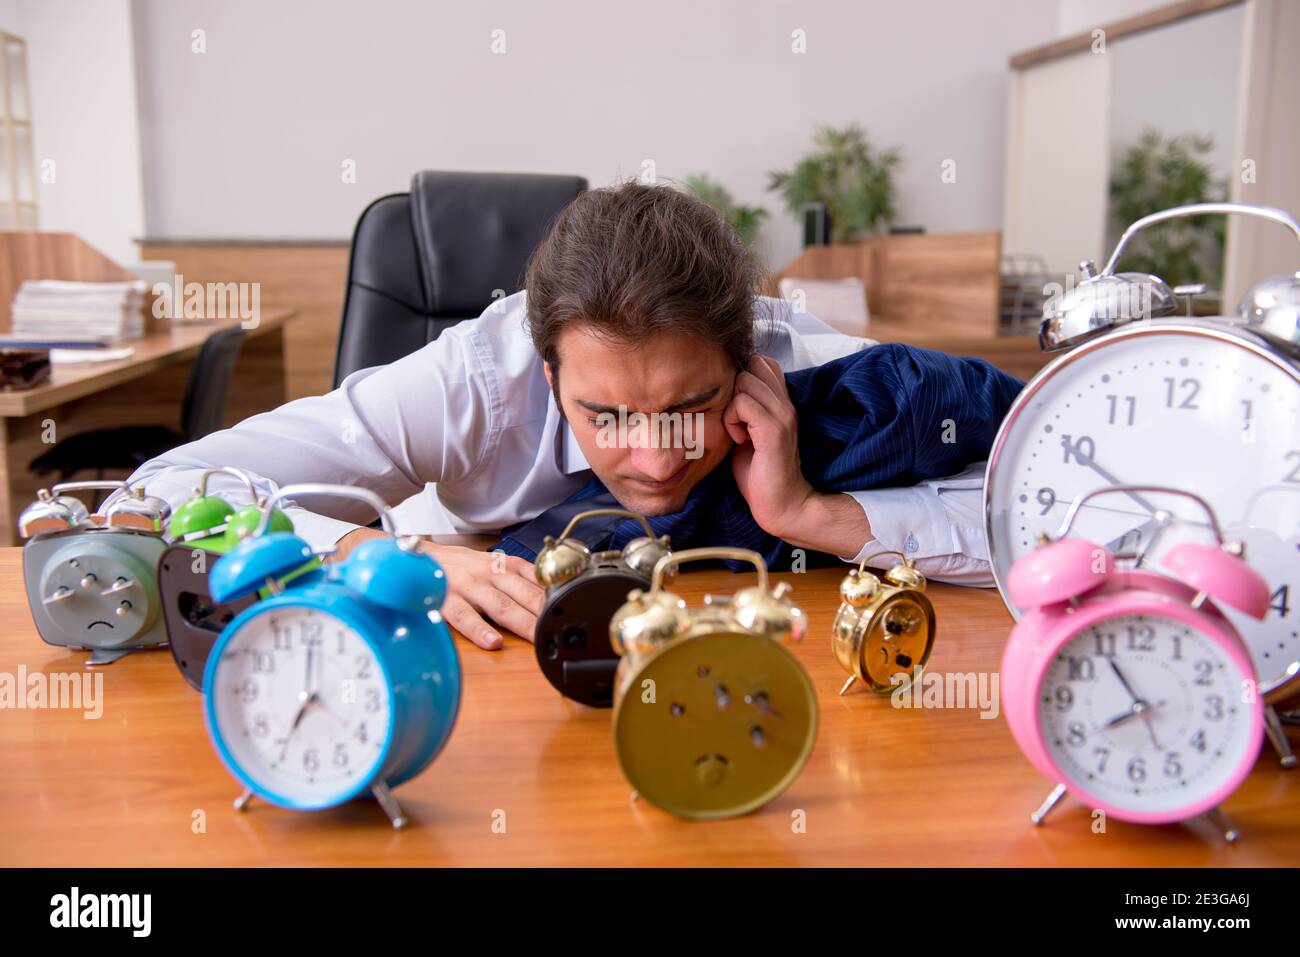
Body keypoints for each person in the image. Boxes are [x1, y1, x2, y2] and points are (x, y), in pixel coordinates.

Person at [110, 182, 1009, 649]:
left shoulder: (816, 369)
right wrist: (375, 551)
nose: (654, 462)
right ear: (547, 373)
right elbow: (161, 490)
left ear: (746, 362)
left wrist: (811, 515)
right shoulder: (471, 381)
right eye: (605, 414)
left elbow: (1062, 525)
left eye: (690, 408)